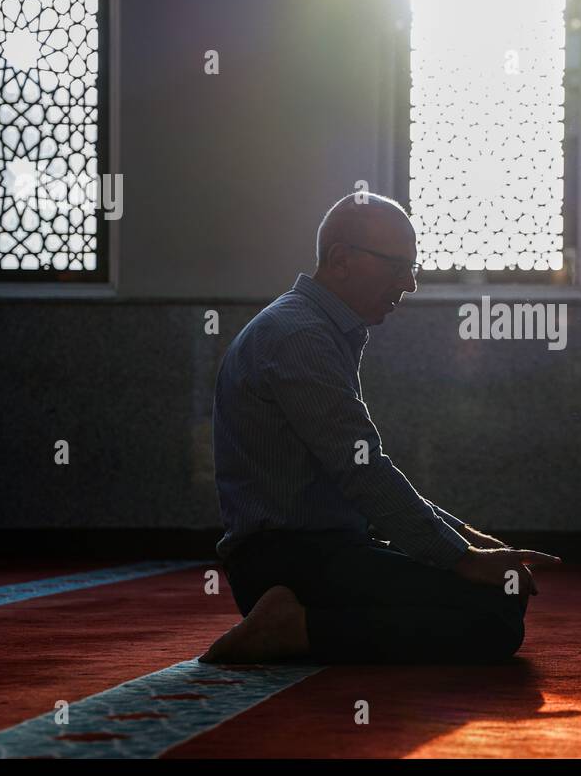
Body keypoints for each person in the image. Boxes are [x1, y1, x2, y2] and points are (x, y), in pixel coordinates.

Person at [200, 191, 560, 664]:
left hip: (319, 552)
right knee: (492, 618)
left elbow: (358, 477)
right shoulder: (300, 337)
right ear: (340, 259)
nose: (409, 284)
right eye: (397, 266)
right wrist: (465, 559)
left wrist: (468, 544)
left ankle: (302, 623)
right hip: (288, 563)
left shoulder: (314, 328)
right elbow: (363, 474)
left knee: (504, 594)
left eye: (412, 268)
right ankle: (294, 627)